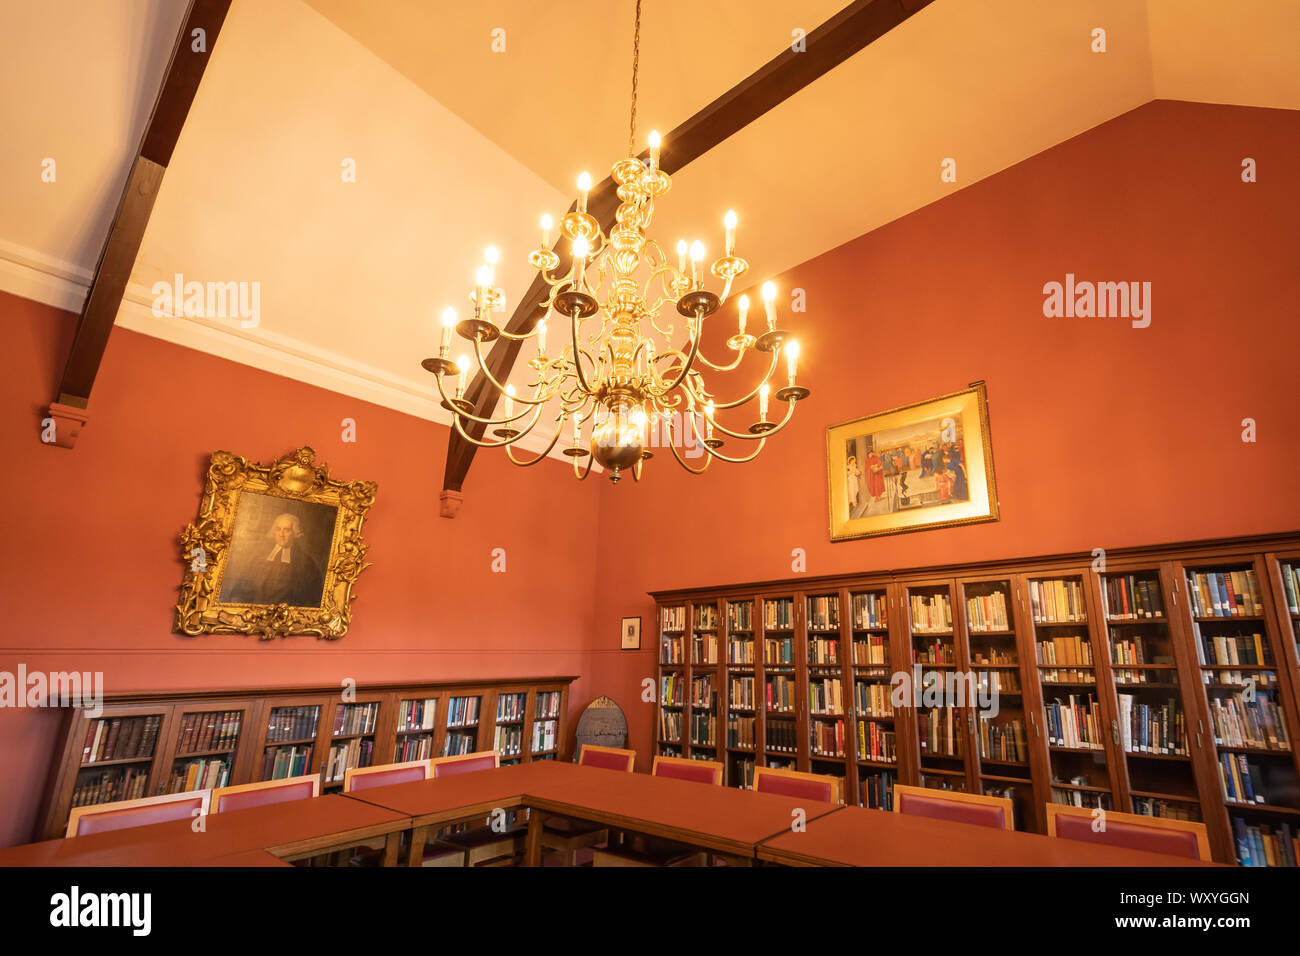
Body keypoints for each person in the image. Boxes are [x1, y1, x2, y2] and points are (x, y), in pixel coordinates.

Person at [227, 513, 325, 608]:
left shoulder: (306, 562)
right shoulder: (260, 555)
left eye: (286, 530)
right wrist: (237, 600)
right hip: (255, 610)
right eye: (278, 529)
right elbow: (244, 585)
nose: (281, 534)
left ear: (294, 533)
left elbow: (312, 596)